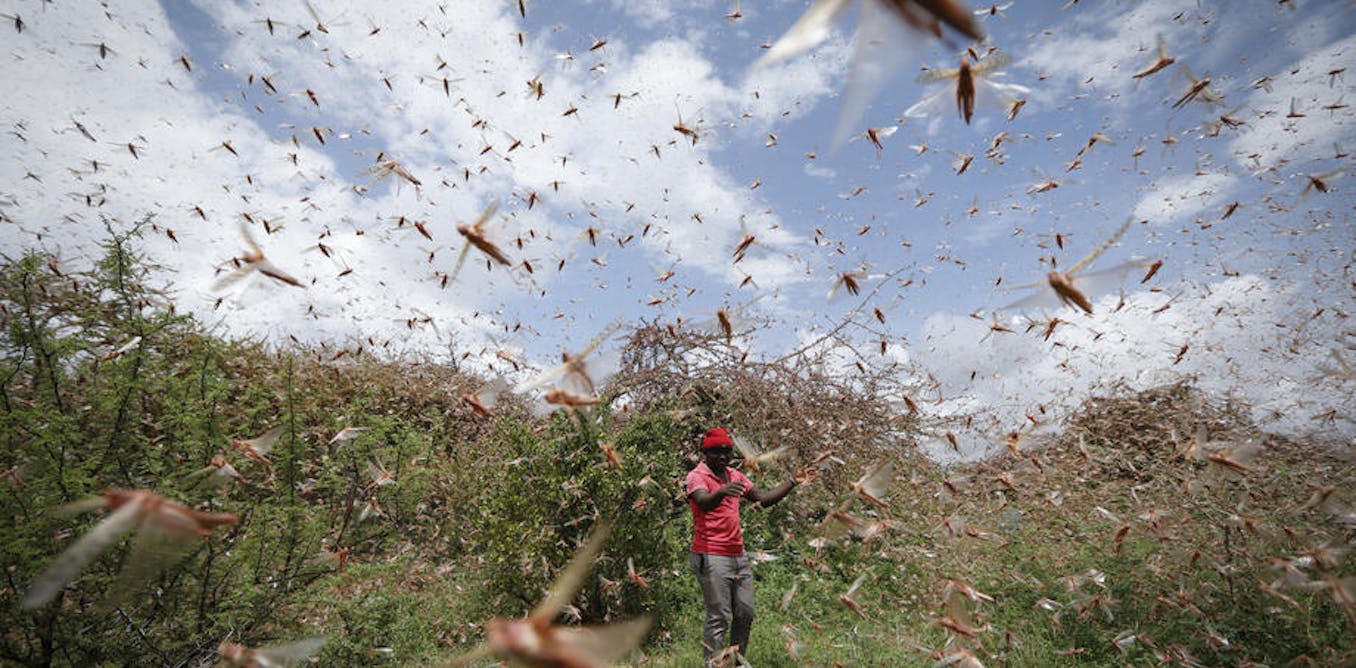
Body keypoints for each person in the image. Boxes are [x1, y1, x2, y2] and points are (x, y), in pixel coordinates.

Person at [685, 427, 816, 665]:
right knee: (719, 616)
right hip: (710, 554)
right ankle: (712, 664)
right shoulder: (697, 476)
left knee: (745, 613)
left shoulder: (735, 475)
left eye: (727, 452)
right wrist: (722, 492)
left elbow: (763, 500)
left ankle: (735, 662)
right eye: (717, 452)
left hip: (738, 555)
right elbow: (703, 502)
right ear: (706, 453)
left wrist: (792, 482)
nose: (723, 457)